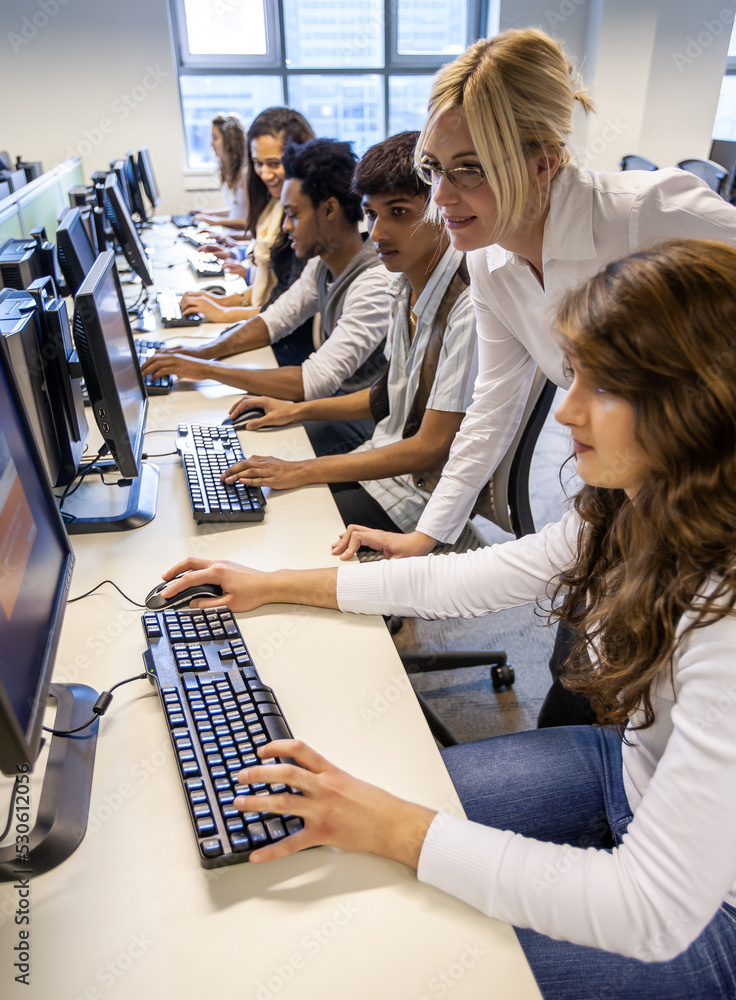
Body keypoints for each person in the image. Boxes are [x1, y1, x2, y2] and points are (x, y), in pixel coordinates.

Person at [151, 239, 736, 999]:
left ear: (695, 407)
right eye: (575, 376)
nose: (567, 410)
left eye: (606, 387)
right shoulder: (638, 505)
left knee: (408, 956)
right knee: (335, 824)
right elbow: (472, 577)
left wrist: (396, 827)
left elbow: (652, 911)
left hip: (707, 917)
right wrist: (275, 584)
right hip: (625, 776)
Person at [334, 27, 736, 564]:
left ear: (544, 162)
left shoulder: (649, 213)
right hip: (636, 471)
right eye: (433, 169)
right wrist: (426, 536)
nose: (442, 196)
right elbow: (493, 405)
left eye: (469, 170)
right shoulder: (489, 259)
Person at [218, 131, 477, 532]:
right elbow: (387, 394)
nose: (378, 233)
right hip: (381, 464)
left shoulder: (466, 308)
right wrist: (295, 410)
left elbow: (429, 448)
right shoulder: (403, 286)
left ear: (441, 207)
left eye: (399, 212)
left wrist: (301, 470)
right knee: (257, 497)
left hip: (418, 498)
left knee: (273, 524)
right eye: (372, 214)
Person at [142, 140, 390, 447]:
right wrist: (201, 353)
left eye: (293, 215)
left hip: (362, 427)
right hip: (328, 406)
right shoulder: (322, 264)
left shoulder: (374, 281)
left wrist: (206, 369)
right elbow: (273, 321)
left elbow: (311, 382)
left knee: (245, 440)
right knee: (232, 430)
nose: (285, 226)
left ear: (329, 210)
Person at [180, 108, 317, 367]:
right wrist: (222, 303)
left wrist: (223, 313)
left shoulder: (305, 219)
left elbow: (287, 306)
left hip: (287, 343)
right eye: (258, 163)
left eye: (274, 163)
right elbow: (273, 286)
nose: (264, 174)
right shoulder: (271, 202)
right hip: (269, 325)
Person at [191, 112, 248, 230]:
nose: (211, 143)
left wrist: (214, 222)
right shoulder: (233, 171)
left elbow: (249, 221)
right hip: (231, 233)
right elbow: (237, 210)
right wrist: (207, 213)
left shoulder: (245, 174)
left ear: (229, 141)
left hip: (239, 236)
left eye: (215, 137)